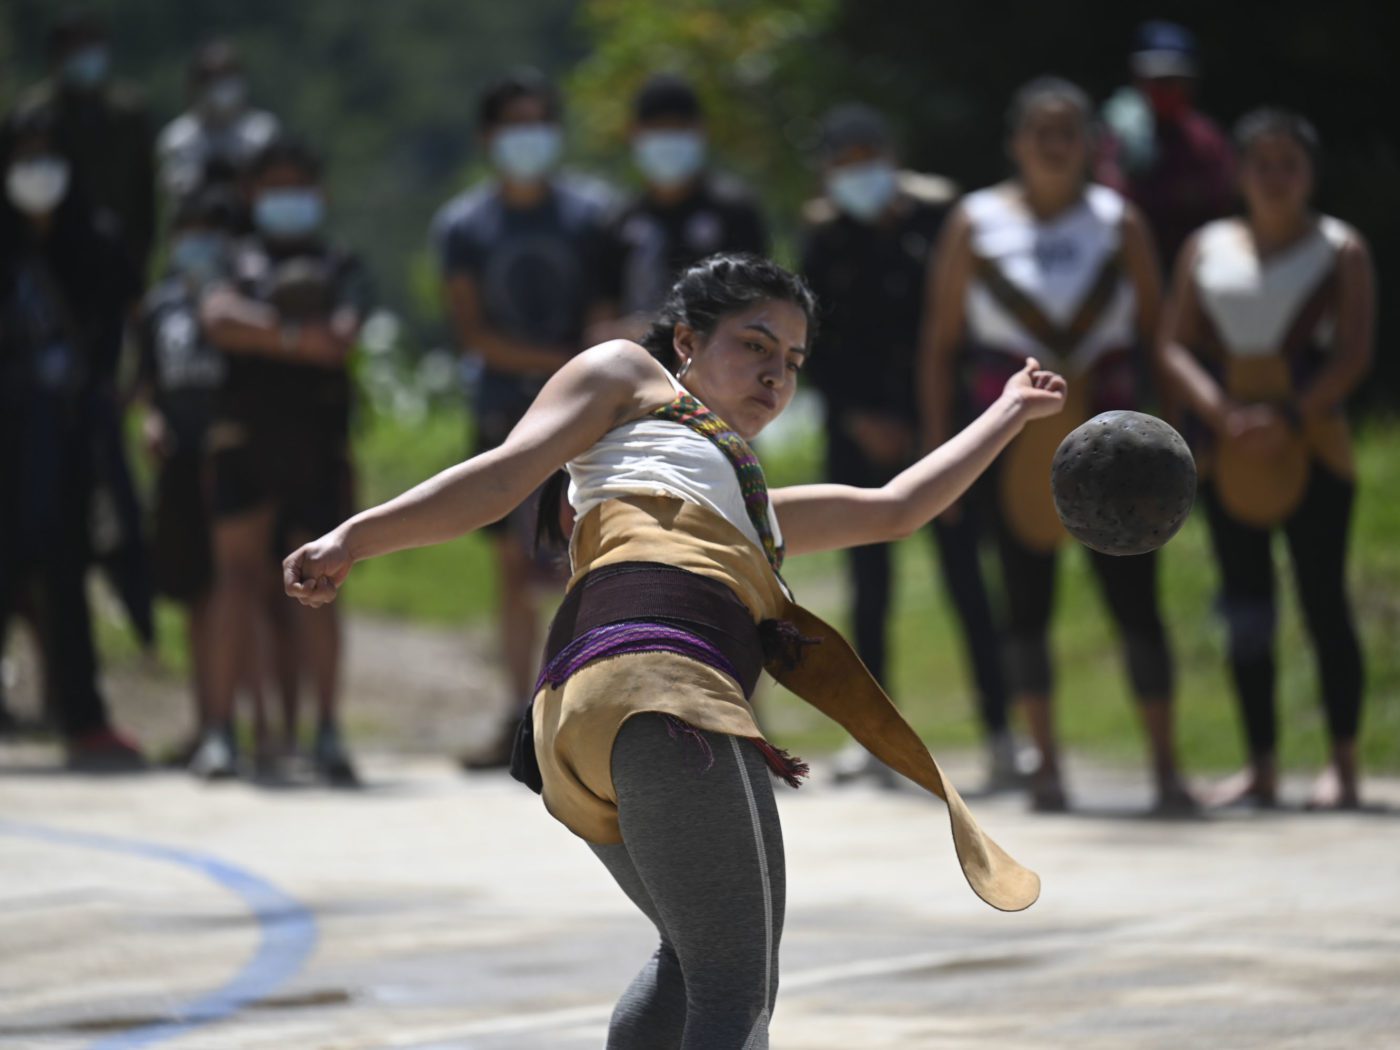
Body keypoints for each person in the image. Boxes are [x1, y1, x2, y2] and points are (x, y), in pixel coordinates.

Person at [285, 253, 1055, 1045]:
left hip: (576, 720)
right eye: (755, 345)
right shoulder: (629, 376)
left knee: (695, 966)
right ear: (685, 339)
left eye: (792, 360)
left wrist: (1009, 410)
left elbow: (896, 507)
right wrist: (354, 537)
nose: (776, 373)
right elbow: (501, 480)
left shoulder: (747, 506)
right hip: (662, 686)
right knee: (737, 989)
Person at [920, 77, 1194, 814]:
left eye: (1066, 130)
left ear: (1088, 144)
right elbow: (942, 344)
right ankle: (1047, 769)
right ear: (1015, 142)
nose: (1052, 143)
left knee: (1136, 601)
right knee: (1025, 604)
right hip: (1010, 442)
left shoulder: (1119, 221)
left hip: (1114, 441)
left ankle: (1167, 770)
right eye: (1039, 130)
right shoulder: (975, 224)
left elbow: (1158, 337)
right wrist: (939, 453)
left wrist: (1179, 442)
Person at [1157, 110, 1373, 810]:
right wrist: (1221, 414)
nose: (1275, 177)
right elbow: (1175, 343)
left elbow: (1353, 353)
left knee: (1323, 601)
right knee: (1246, 607)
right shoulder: (1206, 247)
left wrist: (1288, 416)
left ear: (1310, 173)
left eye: (1289, 163)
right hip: (1228, 449)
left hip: (1313, 443)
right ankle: (1262, 764)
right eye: (1262, 163)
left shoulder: (1341, 248)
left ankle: (1342, 762)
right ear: (1240, 172)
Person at [801, 103, 1017, 789]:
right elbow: (812, 346)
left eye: (870, 157)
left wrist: (936, 424)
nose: (859, 173)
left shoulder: (938, 220)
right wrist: (860, 417)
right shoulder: (824, 240)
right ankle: (874, 742)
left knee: (968, 584)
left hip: (941, 432)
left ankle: (1003, 735)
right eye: (845, 163)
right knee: (869, 591)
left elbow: (962, 324)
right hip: (857, 435)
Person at [430, 69, 613, 767]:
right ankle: (520, 717)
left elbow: (611, 300)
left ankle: (588, 714)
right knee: (513, 567)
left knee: (587, 559)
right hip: (506, 411)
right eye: (515, 123)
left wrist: (586, 370)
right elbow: (471, 330)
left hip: (589, 414)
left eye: (540, 121)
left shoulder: (594, 213)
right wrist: (570, 358)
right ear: (488, 138)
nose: (528, 137)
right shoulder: (463, 225)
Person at [191, 136, 371, 783]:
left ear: (318, 193)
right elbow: (217, 320)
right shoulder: (231, 259)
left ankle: (324, 732)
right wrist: (298, 335)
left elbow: (341, 341)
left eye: (298, 184)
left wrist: (265, 334)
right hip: (244, 443)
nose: (286, 198)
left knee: (322, 586)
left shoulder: (340, 261)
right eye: (273, 186)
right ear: (252, 194)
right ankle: (219, 733)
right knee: (233, 584)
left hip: (317, 446)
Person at [0, 108, 143, 768]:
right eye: (23, 156)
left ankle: (82, 718)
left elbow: (123, 331)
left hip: (67, 437)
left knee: (66, 573)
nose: (37, 171)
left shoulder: (96, 239)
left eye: (47, 155)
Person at [134, 187, 238, 760]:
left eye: (209, 231)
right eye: (189, 230)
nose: (197, 243)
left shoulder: (242, 297)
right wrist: (149, 420)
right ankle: (206, 721)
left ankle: (242, 724)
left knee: (236, 590)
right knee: (196, 592)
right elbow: (145, 384)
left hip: (233, 461)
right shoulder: (162, 305)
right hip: (178, 462)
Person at [595, 73, 768, 339]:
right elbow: (600, 322)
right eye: (658, 129)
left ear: (700, 132)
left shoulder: (734, 212)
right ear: (634, 134)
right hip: (640, 370)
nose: (668, 140)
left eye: (678, 128)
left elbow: (752, 306)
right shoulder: (618, 221)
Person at [15, 10, 156, 278]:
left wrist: (141, 257)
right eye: (75, 47)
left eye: (91, 46)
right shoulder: (34, 115)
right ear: (56, 57)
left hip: (121, 251)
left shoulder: (128, 111)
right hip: (51, 256)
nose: (85, 57)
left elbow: (144, 192)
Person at [1098, 20, 1235, 272]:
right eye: (1157, 79)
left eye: (1174, 79)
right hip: (1127, 270)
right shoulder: (1117, 134)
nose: (1165, 88)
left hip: (1195, 270)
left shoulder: (1206, 139)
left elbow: (1222, 204)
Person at [157, 39, 281, 203]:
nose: (222, 85)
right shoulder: (177, 138)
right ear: (195, 85)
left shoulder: (263, 131)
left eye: (228, 75)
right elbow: (173, 187)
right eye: (212, 78)